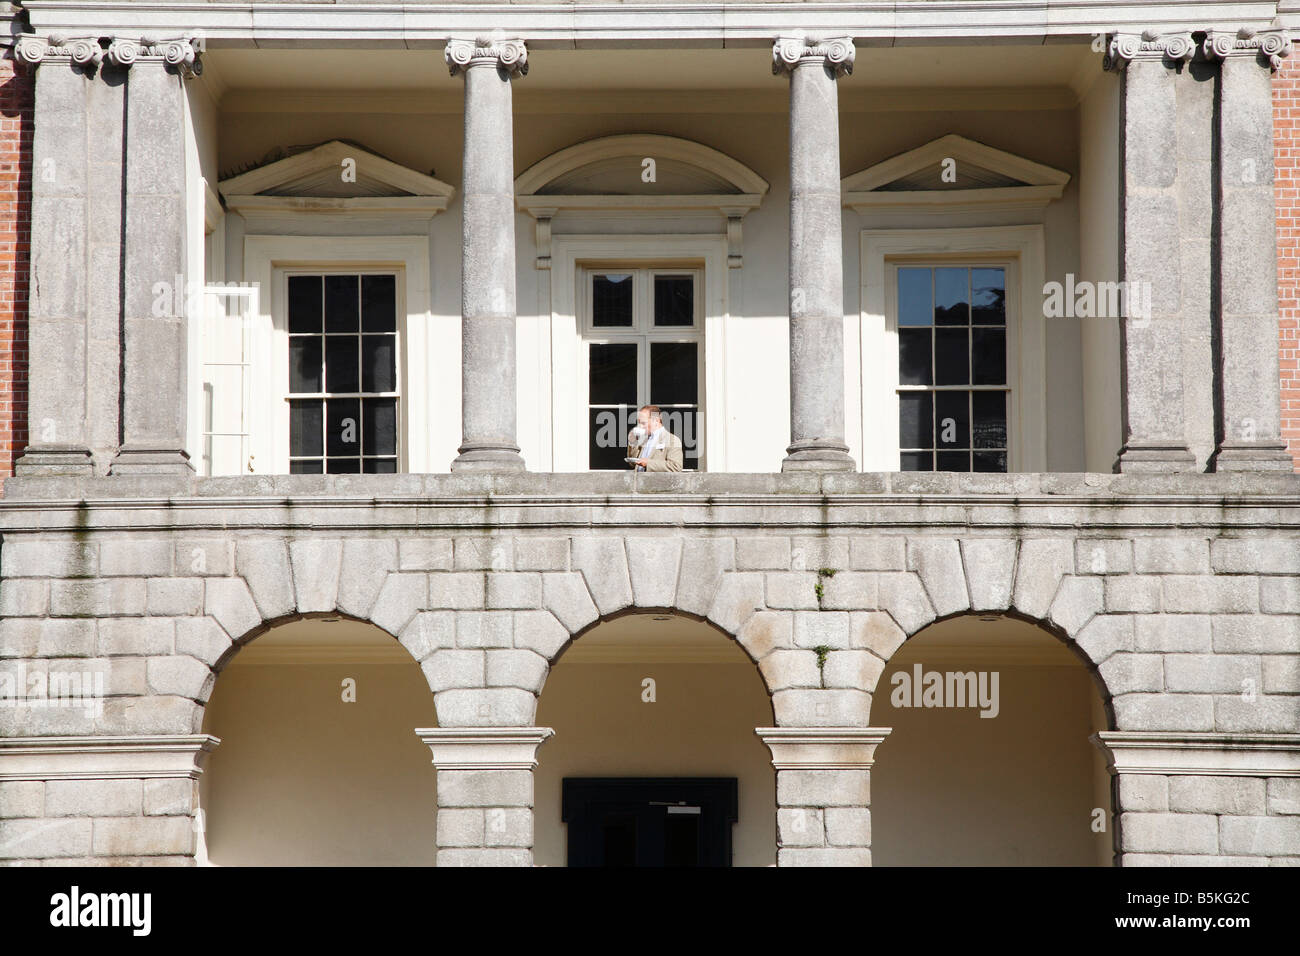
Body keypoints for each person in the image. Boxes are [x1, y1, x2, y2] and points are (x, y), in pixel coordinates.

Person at [627, 405, 683, 472]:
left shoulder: (672, 440)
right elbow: (633, 464)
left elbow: (675, 466)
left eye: (643, 423)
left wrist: (648, 463)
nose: (640, 426)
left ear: (656, 420)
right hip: (639, 481)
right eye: (639, 423)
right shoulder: (644, 439)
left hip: (657, 482)